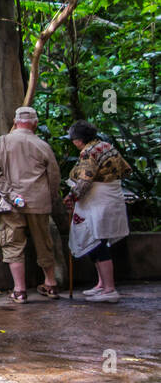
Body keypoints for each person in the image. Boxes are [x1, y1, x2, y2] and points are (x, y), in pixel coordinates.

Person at [0, 106, 62, 303]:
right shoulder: (42, 145)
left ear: (15, 121)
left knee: (12, 243)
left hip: (11, 205)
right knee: (44, 242)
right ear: (35, 123)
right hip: (39, 202)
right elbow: (54, 177)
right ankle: (51, 284)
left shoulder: (2, 142)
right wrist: (50, 198)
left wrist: (10, 194)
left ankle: (20, 291)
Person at [63, 120, 131, 303]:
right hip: (110, 197)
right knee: (97, 240)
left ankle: (109, 288)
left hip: (99, 200)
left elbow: (85, 181)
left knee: (97, 241)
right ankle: (102, 284)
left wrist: (72, 196)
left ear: (78, 140)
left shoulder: (89, 153)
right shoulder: (105, 146)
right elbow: (126, 169)